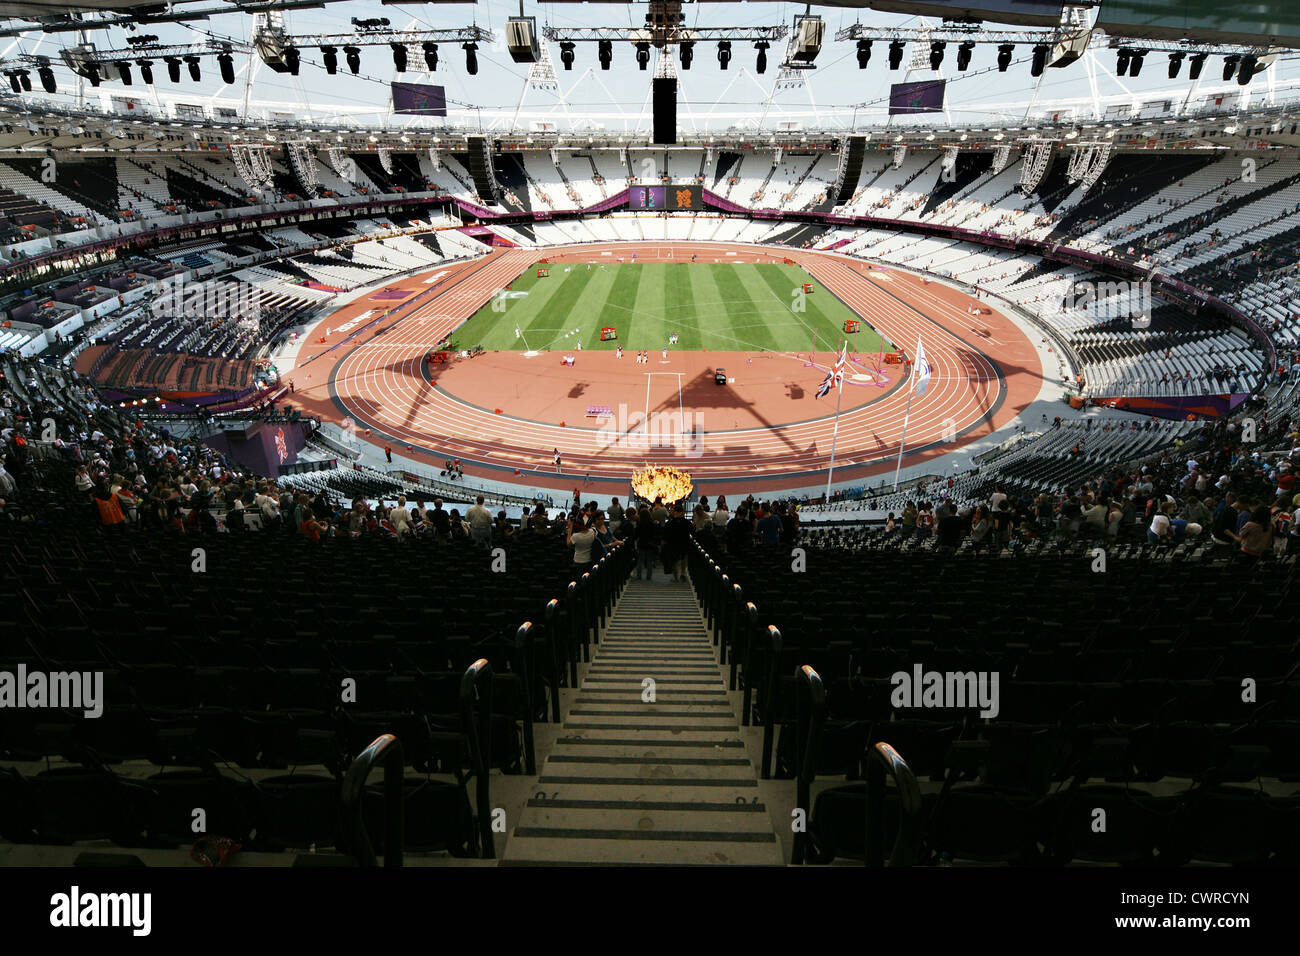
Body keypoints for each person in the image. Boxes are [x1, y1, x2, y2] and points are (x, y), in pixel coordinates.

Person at [634, 507, 660, 580]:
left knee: (640, 561)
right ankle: (649, 577)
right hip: (650, 544)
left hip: (641, 544)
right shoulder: (652, 524)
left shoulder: (639, 525)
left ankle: (639, 576)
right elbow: (655, 534)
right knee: (649, 561)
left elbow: (636, 536)